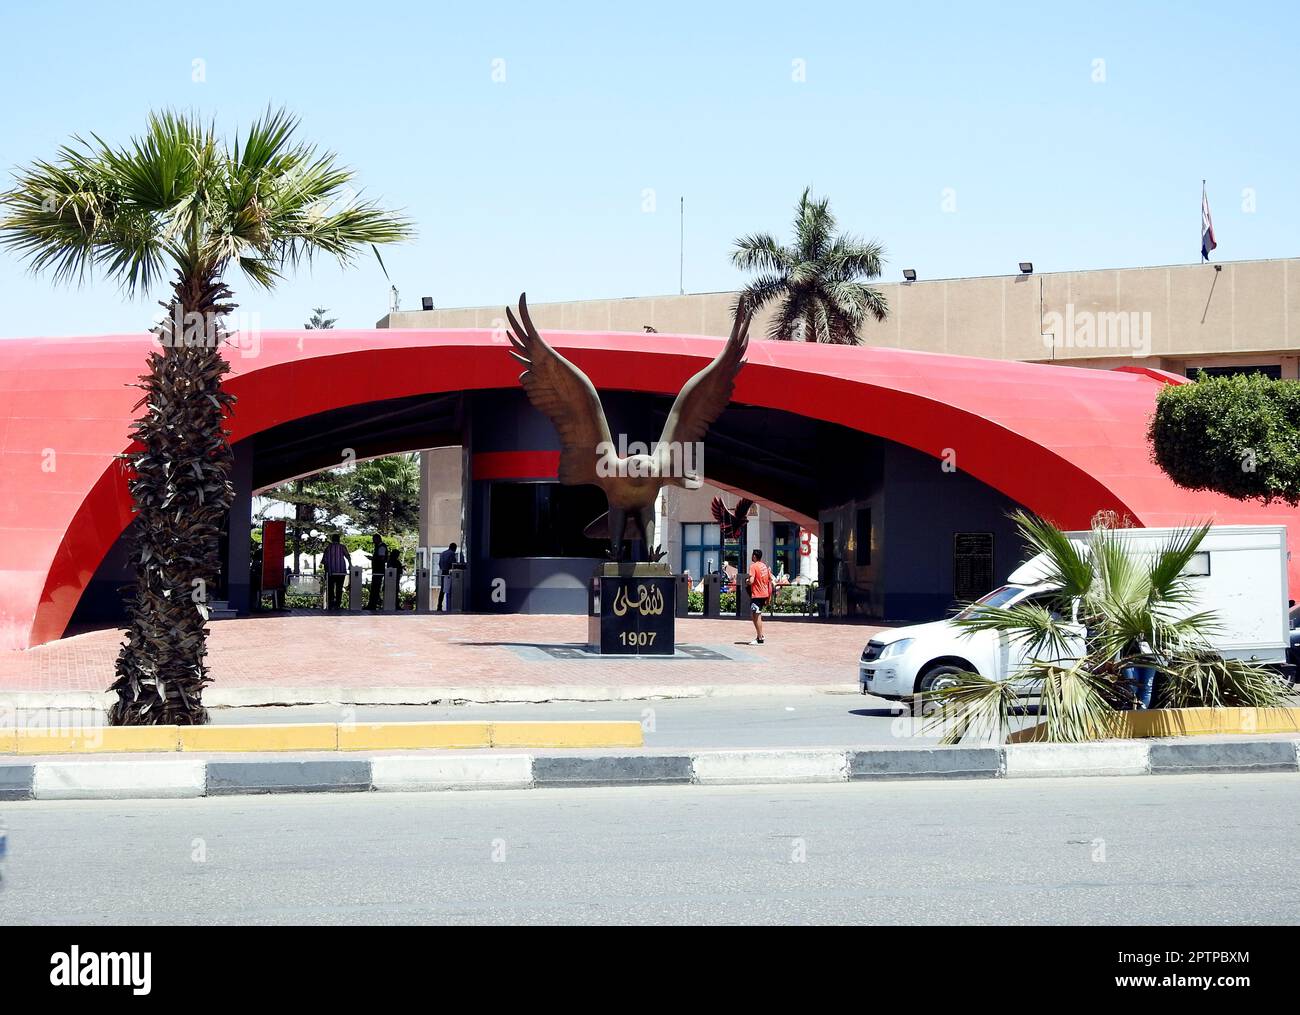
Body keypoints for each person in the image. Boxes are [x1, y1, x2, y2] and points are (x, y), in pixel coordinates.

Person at [745, 548, 774, 645]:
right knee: (755, 614)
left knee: (756, 615)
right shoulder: (764, 566)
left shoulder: (753, 566)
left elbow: (751, 581)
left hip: (757, 594)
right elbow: (770, 578)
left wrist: (747, 581)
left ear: (754, 556)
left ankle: (760, 638)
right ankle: (759, 635)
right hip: (764, 594)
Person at [323, 533, 349, 610]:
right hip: (341, 571)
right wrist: (350, 565)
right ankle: (338, 604)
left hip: (331, 572)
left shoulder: (328, 548)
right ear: (339, 539)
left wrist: (326, 571)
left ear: (332, 539)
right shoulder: (342, 547)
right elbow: (348, 556)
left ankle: (330, 604)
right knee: (339, 588)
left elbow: (324, 560)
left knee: (330, 588)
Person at [366, 534, 389, 610]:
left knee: (375, 588)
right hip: (377, 570)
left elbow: (382, 558)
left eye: (374, 539)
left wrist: (372, 558)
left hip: (378, 570)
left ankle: (373, 605)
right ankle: (372, 604)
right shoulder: (379, 546)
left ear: (378, 539)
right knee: (375, 587)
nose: (373, 541)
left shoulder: (382, 546)